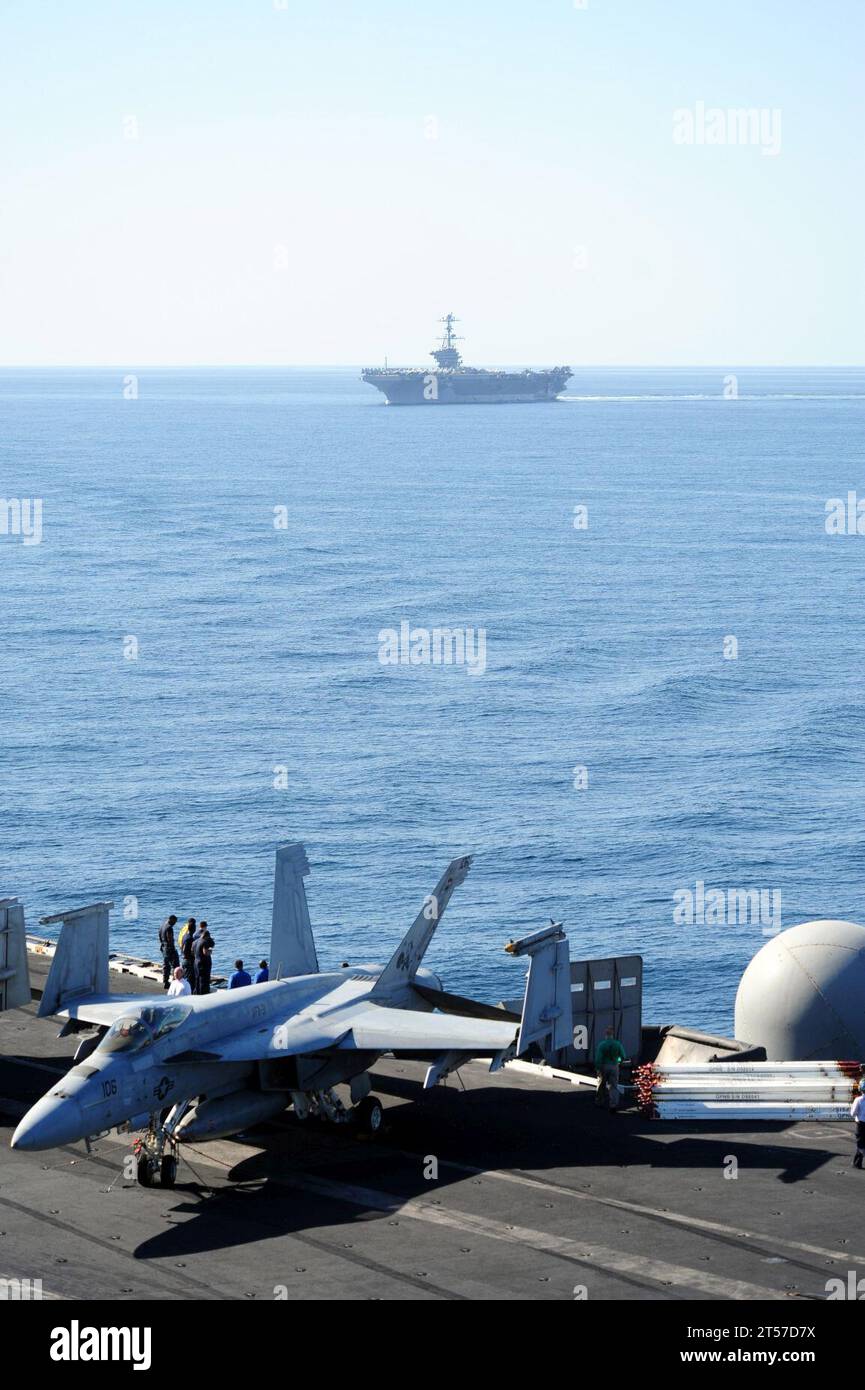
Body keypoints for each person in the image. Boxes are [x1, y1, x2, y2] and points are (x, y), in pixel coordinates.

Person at [594, 1027, 628, 1111]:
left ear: (605, 1035)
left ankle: (599, 1102)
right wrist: (618, 1061)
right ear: (613, 1034)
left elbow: (598, 1059)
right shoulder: (618, 1044)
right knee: (613, 1086)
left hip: (603, 1066)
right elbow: (623, 1056)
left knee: (601, 1084)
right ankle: (613, 1104)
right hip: (614, 1066)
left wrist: (597, 1069)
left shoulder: (602, 1044)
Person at [193, 920, 215, 995]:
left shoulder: (195, 941)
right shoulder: (204, 942)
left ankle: (197, 993)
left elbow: (192, 950)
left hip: (196, 962)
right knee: (204, 980)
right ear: (206, 936)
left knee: (197, 979)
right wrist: (210, 951)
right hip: (203, 963)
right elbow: (205, 952)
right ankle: (203, 994)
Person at [158, 915, 179, 990]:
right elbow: (170, 939)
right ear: (171, 920)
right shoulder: (169, 928)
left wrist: (163, 945)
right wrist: (173, 949)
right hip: (169, 949)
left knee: (166, 965)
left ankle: (165, 981)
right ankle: (175, 982)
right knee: (175, 965)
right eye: (175, 922)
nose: (175, 924)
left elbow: (160, 937)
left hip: (163, 947)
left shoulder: (162, 926)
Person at [180, 918, 197, 992]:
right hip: (188, 961)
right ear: (194, 929)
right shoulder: (190, 938)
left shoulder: (185, 936)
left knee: (186, 978)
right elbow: (185, 950)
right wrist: (191, 954)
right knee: (190, 980)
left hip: (184, 960)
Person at [851, 1079, 865, 1169]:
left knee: (860, 1144)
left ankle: (857, 1163)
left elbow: (853, 1113)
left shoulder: (858, 1100)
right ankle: (857, 1162)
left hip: (861, 1124)